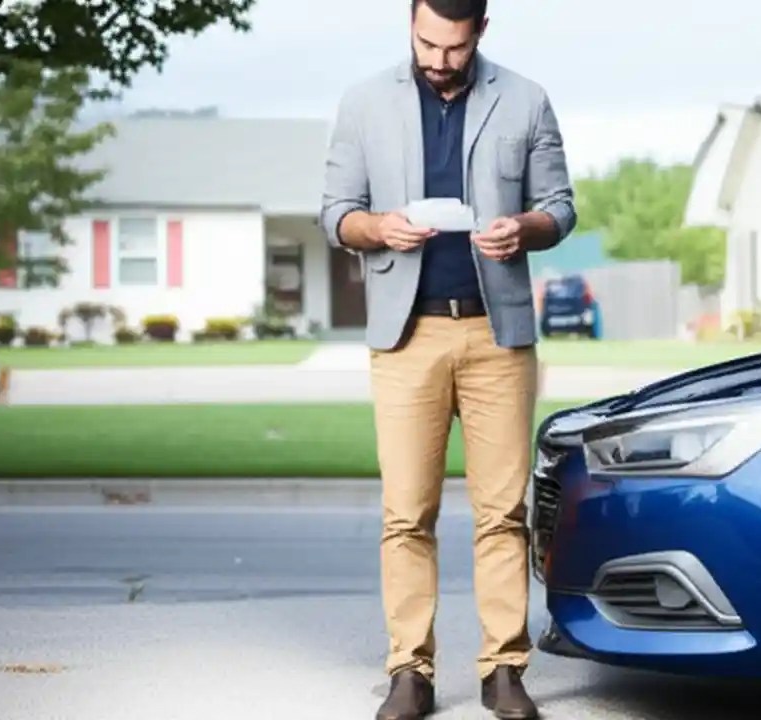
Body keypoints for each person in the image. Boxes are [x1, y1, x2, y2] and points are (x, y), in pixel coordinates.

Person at [318, 1, 576, 718]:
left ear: (480, 34)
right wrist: (376, 226)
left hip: (498, 338)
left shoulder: (525, 100)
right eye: (426, 42)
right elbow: (334, 212)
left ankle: (504, 670)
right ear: (410, 23)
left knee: (503, 513)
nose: (438, 58)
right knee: (407, 514)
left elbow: (560, 206)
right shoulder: (364, 102)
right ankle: (410, 671)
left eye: (454, 48)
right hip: (407, 339)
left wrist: (525, 227)